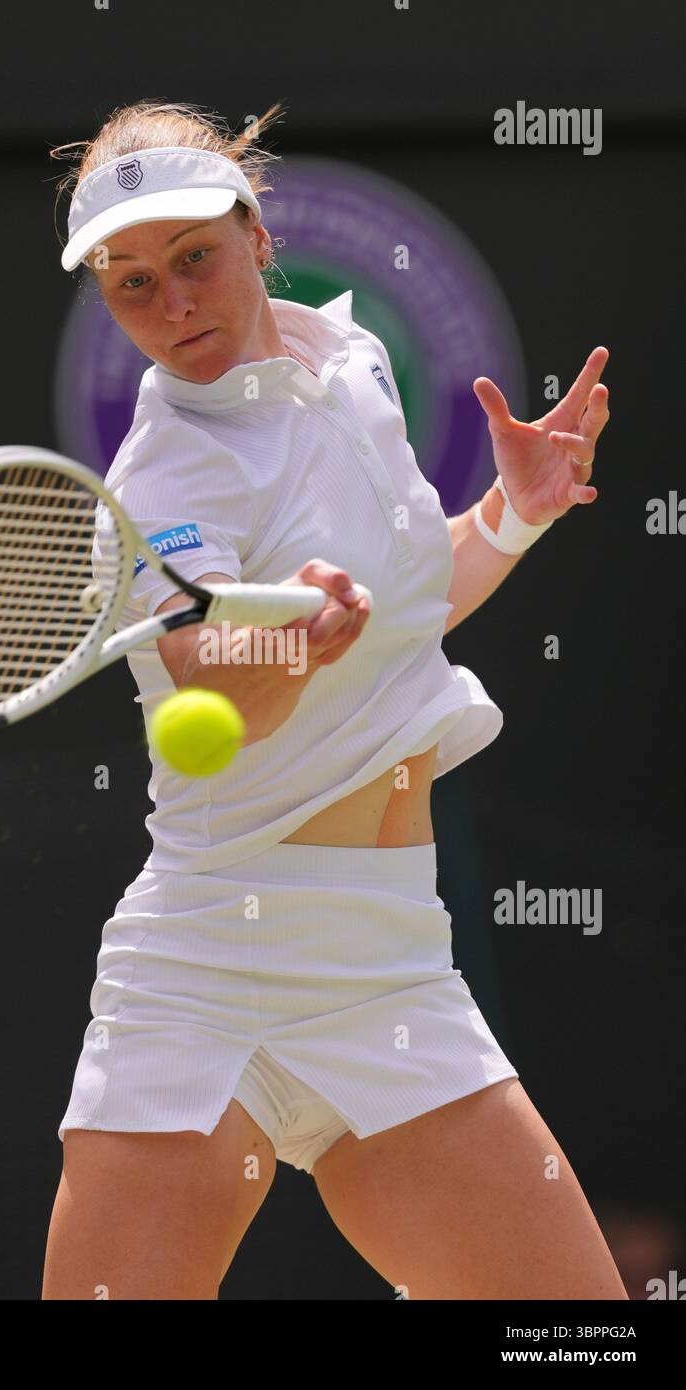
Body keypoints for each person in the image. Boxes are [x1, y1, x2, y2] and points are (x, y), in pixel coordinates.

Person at [41, 99, 624, 1300]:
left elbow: (407, 614)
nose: (173, 306)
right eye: (131, 283)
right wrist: (288, 653)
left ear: (258, 235)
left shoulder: (346, 364)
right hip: (204, 968)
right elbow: (205, 699)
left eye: (193, 258)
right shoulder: (161, 473)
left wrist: (510, 512)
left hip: (390, 964)